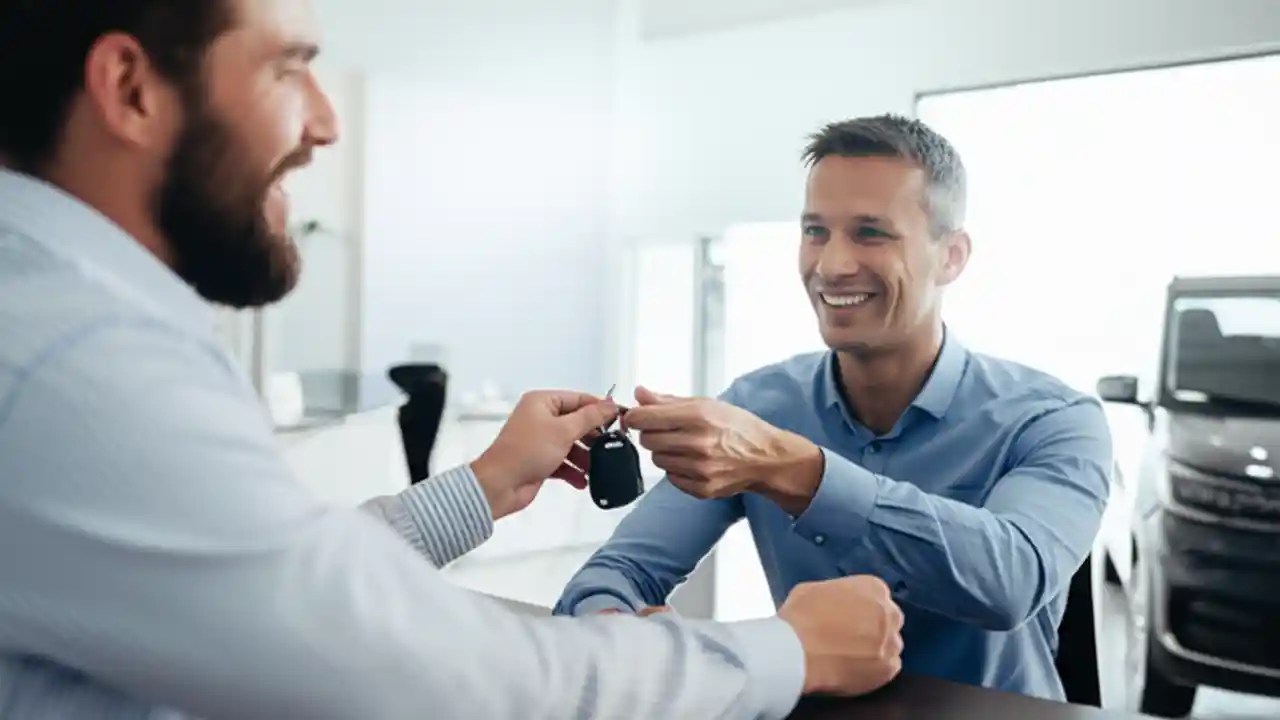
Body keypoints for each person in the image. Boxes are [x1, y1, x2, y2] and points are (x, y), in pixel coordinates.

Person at [0, 2, 906, 718]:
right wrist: (786, 652)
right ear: (130, 88)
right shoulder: (81, 360)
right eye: (291, 67)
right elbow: (432, 677)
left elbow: (257, 583)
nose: (325, 123)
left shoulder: (52, 321)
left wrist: (478, 488)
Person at [555, 114, 1114, 702]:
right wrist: (620, 635)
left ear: (951, 256)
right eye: (816, 231)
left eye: (871, 233)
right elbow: (609, 578)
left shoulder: (1056, 420)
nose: (831, 265)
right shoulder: (759, 404)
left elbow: (1010, 580)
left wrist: (789, 468)